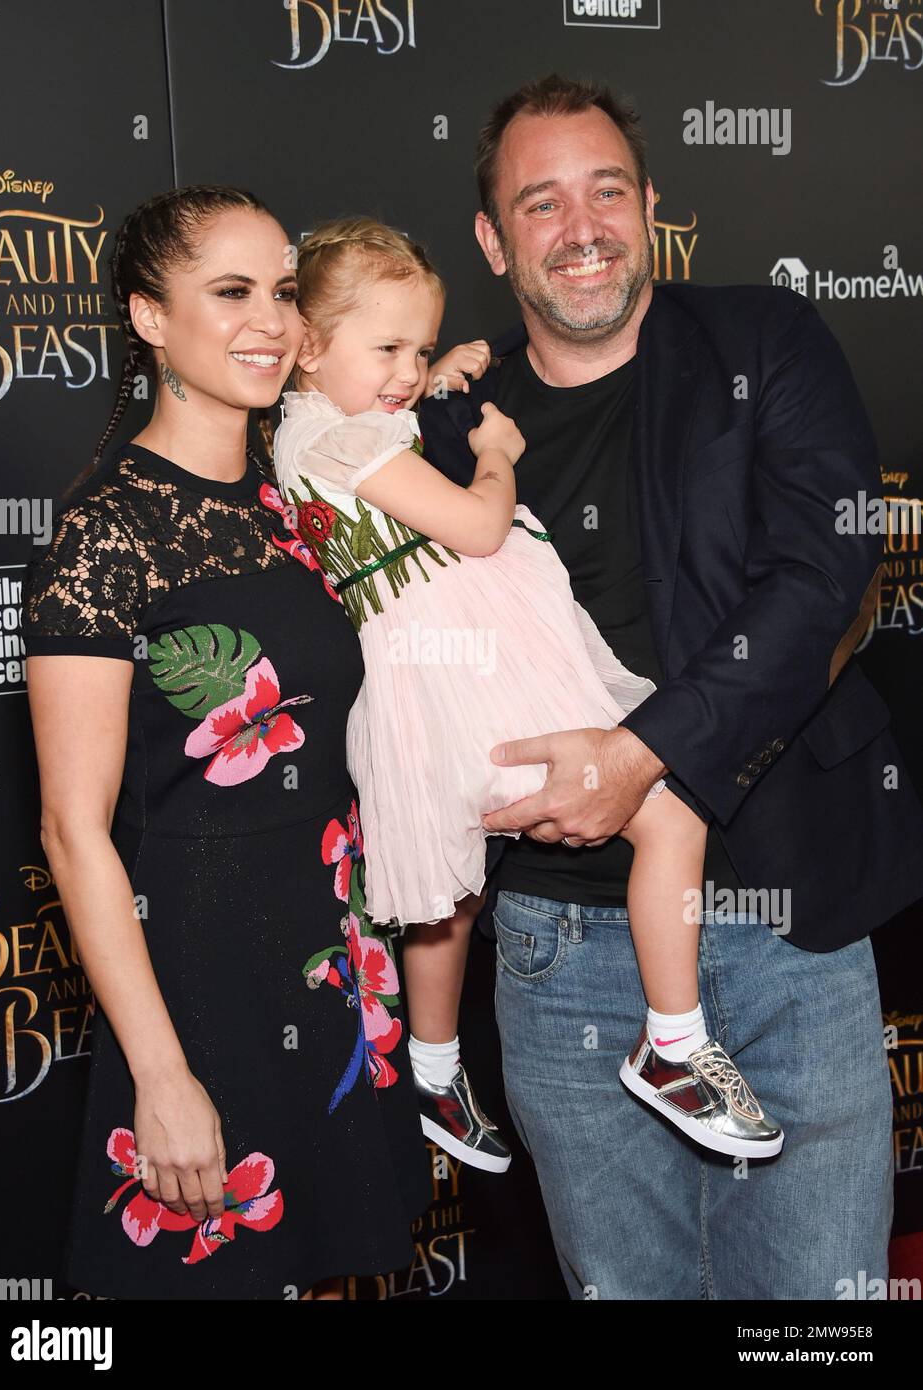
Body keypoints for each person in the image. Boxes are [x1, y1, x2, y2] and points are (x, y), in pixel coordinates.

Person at [418, 73, 923, 1300]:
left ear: (649, 205)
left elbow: (821, 576)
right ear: (492, 239)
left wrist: (640, 757)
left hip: (779, 925)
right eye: (539, 204)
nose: (579, 227)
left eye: (605, 192)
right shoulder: (443, 432)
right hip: (555, 950)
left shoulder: (763, 341)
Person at [273, 216, 784, 1175]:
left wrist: (432, 374)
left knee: (447, 888)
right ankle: (672, 1045)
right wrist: (496, 449)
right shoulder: (351, 444)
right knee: (670, 815)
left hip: (429, 670)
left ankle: (432, 1070)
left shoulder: (309, 427)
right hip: (468, 661)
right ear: (307, 345)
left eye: (417, 347)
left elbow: (378, 410)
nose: (404, 369)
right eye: (386, 347)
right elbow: (472, 526)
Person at [22, 186, 431, 1302]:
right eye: (231, 292)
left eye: (286, 293)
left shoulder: (296, 496)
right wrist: (159, 1072)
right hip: (194, 983)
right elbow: (71, 828)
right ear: (149, 317)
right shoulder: (104, 534)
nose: (271, 320)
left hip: (329, 958)